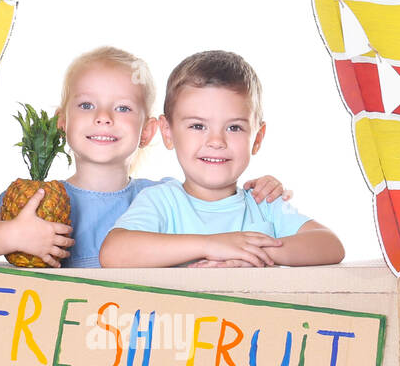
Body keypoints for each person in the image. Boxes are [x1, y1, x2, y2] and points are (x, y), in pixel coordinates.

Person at [0, 45, 291, 269]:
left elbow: (224, 224)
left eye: (122, 107)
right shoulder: (40, 200)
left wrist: (257, 191)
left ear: (150, 130)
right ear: (63, 121)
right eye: (87, 105)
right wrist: (11, 236)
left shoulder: (164, 198)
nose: (104, 116)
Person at [99, 50, 344, 268]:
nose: (216, 141)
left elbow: (329, 244)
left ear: (257, 138)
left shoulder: (263, 204)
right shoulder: (162, 201)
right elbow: (114, 252)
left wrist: (250, 251)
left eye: (234, 128)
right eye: (197, 125)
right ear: (167, 132)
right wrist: (210, 245)